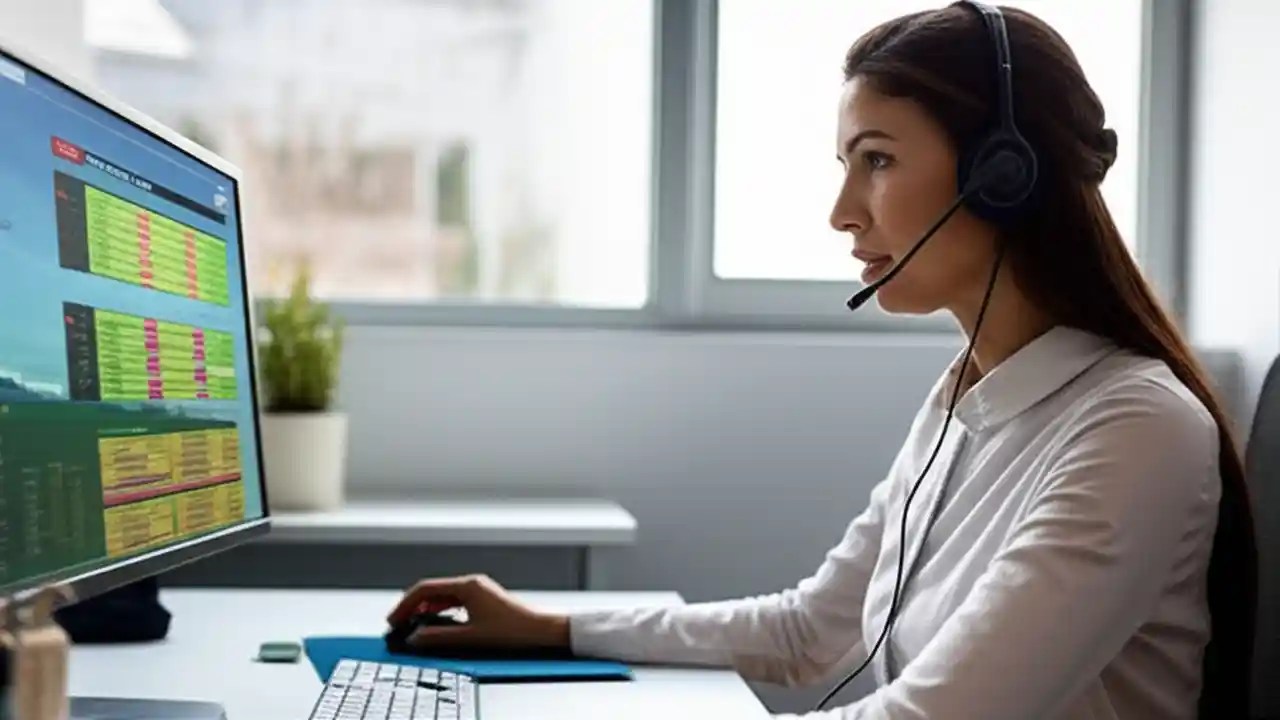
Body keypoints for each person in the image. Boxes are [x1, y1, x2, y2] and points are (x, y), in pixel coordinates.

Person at [385, 3, 1258, 718]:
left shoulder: (1134, 428)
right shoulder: (968, 400)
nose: (842, 211)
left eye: (876, 160)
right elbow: (809, 630)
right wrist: (549, 628)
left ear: (1002, 174)